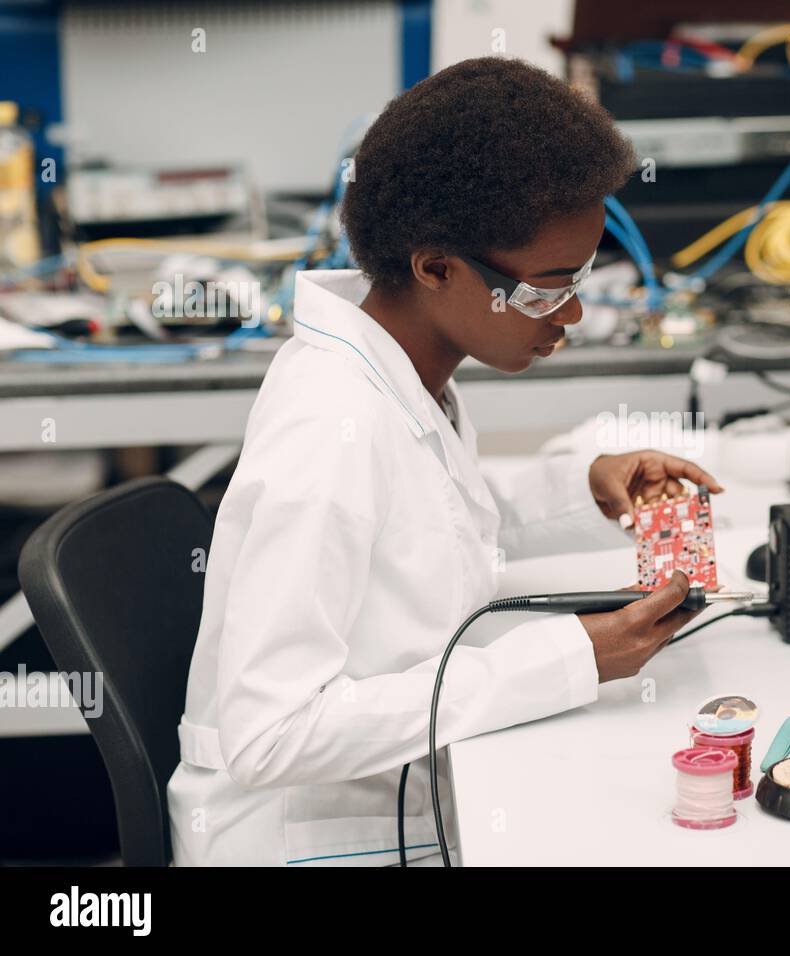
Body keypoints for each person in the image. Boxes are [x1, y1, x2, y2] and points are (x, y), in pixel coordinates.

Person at [167, 57, 722, 866]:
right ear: (436, 268)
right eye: (546, 287)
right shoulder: (330, 431)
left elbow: (422, 519)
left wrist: (582, 487)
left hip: (398, 800)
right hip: (302, 843)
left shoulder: (398, 370)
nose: (569, 313)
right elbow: (271, 734)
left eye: (582, 276)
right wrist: (569, 659)